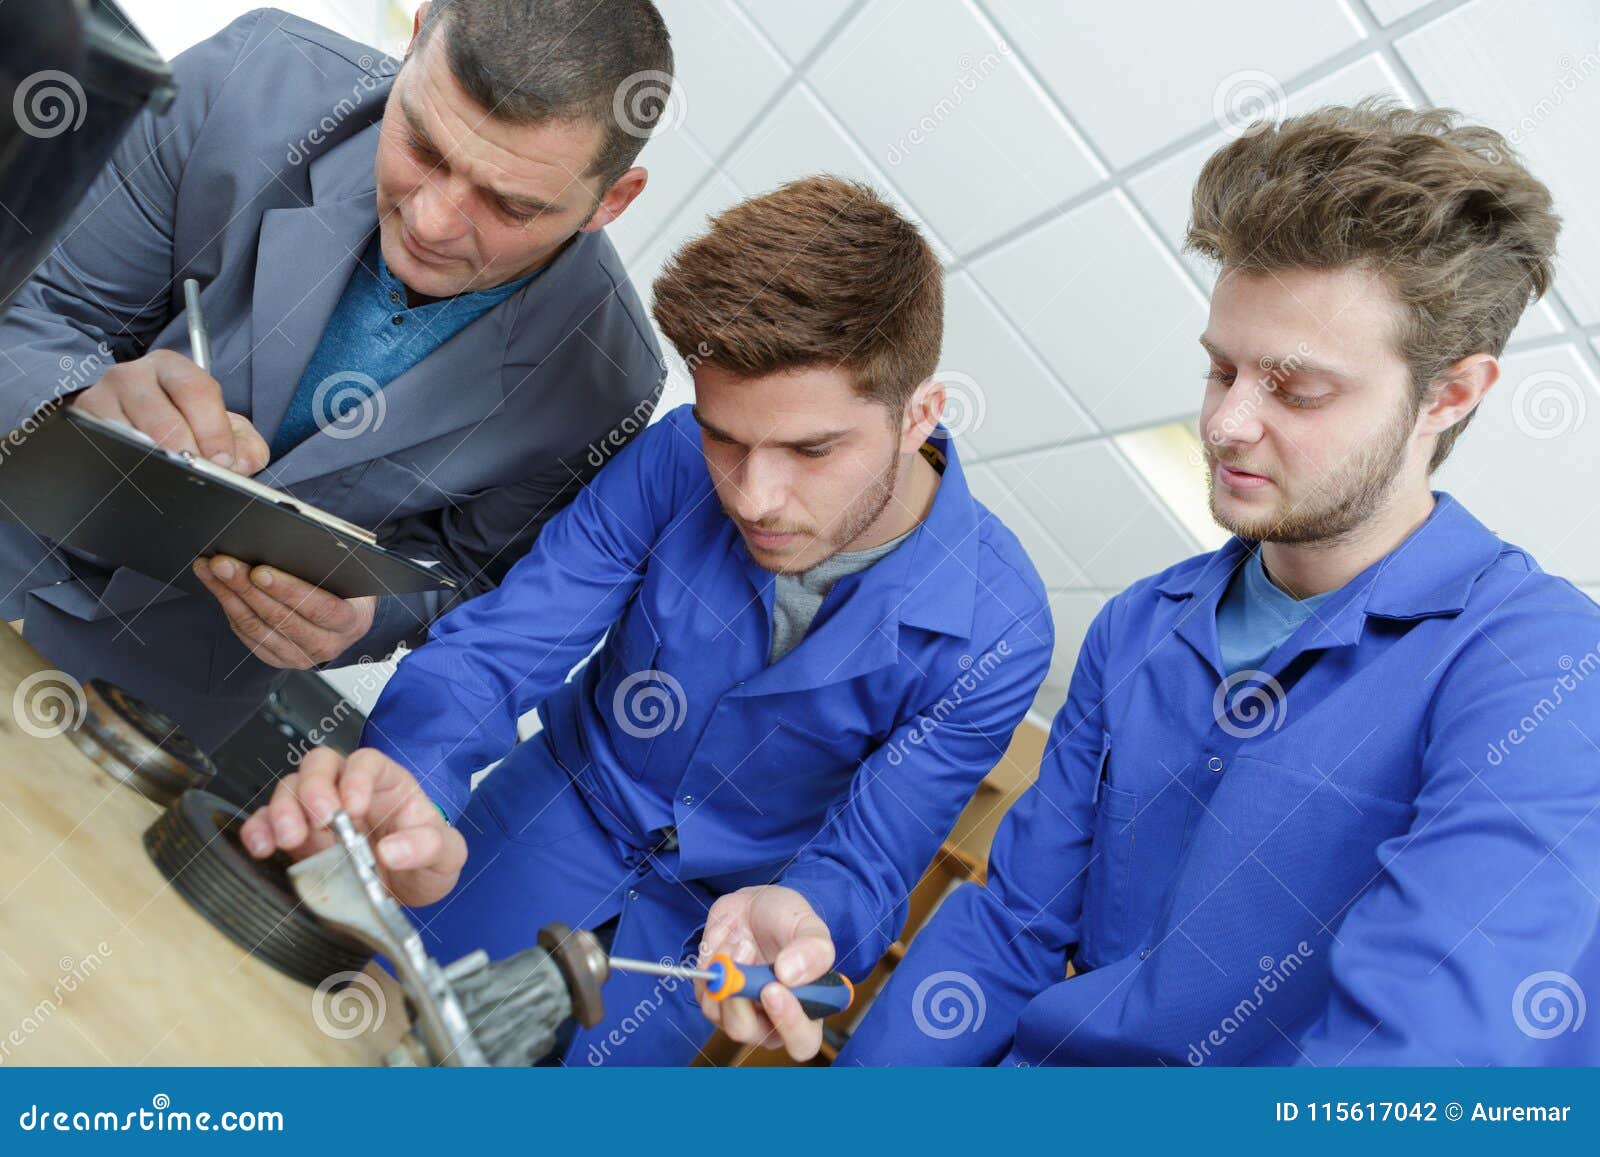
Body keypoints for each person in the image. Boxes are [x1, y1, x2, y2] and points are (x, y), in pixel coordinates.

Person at [836, 101, 1600, 1066]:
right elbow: (1007, 932)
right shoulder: (1140, 627)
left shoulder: (1545, 672)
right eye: (1221, 369)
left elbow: (1417, 1065)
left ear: (1449, 394)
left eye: (1296, 388)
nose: (1227, 424)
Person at [238, 176, 1054, 1065]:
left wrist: (814, 917)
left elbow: (872, 857)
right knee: (325, 1055)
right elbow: (502, 648)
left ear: (919, 416)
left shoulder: (999, 627)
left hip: (697, 952)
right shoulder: (672, 457)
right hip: (531, 829)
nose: (754, 495)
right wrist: (412, 781)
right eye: (725, 436)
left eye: (811, 451)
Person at [0, 0, 671, 750]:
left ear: (612, 201)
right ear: (414, 42)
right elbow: (33, 307)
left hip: (160, 692)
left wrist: (362, 619)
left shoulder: (605, 381)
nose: (432, 222)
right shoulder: (248, 83)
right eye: (422, 143)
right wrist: (83, 389)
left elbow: (472, 581)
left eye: (509, 204)